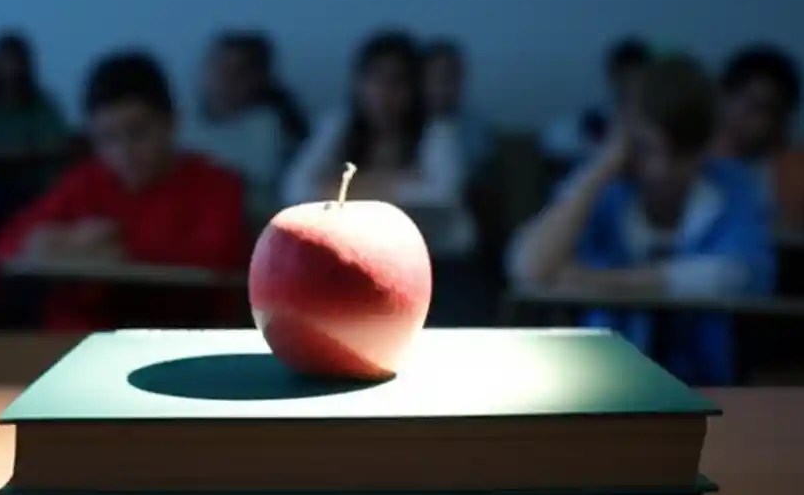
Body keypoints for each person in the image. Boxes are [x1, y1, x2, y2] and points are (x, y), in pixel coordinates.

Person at [509, 56, 774, 385]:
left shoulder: (734, 187)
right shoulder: (607, 191)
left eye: (679, 155)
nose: (661, 169)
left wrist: (599, 283)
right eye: (649, 150)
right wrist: (603, 166)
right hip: (600, 384)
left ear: (706, 146)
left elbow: (737, 275)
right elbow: (528, 267)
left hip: (706, 387)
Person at [0, 52, 248, 330]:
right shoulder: (85, 183)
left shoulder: (216, 185)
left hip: (181, 337)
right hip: (77, 343)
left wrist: (111, 246)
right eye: (107, 138)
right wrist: (65, 242)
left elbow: (219, 256)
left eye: (137, 132)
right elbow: (3, 247)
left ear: (172, 123)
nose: (123, 152)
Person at [282, 30, 483, 325]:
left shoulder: (437, 130)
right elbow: (295, 190)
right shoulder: (338, 126)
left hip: (432, 261)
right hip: (347, 259)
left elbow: (442, 194)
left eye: (397, 81)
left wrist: (346, 186)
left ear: (415, 87)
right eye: (374, 79)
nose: (384, 91)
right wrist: (401, 181)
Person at [0, 31, 70, 244]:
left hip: (34, 183)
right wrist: (17, 150)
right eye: (4, 61)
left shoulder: (43, 107)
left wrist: (5, 151)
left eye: (16, 61)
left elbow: (56, 146)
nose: (10, 68)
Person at [182, 33, 291, 229]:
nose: (226, 78)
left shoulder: (270, 124)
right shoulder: (181, 119)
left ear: (259, 78)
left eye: (240, 71)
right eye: (220, 67)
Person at [542, 37, 653, 161]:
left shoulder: (661, 120)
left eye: (638, 75)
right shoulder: (593, 120)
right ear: (612, 76)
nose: (632, 82)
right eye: (625, 74)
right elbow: (554, 139)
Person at [716, 44, 803, 200]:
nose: (764, 123)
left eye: (775, 113)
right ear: (723, 98)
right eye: (755, 106)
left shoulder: (779, 182)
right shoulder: (679, 165)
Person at [422, 38, 493, 173]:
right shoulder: (404, 120)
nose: (443, 87)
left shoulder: (475, 123)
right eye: (436, 77)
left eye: (452, 78)